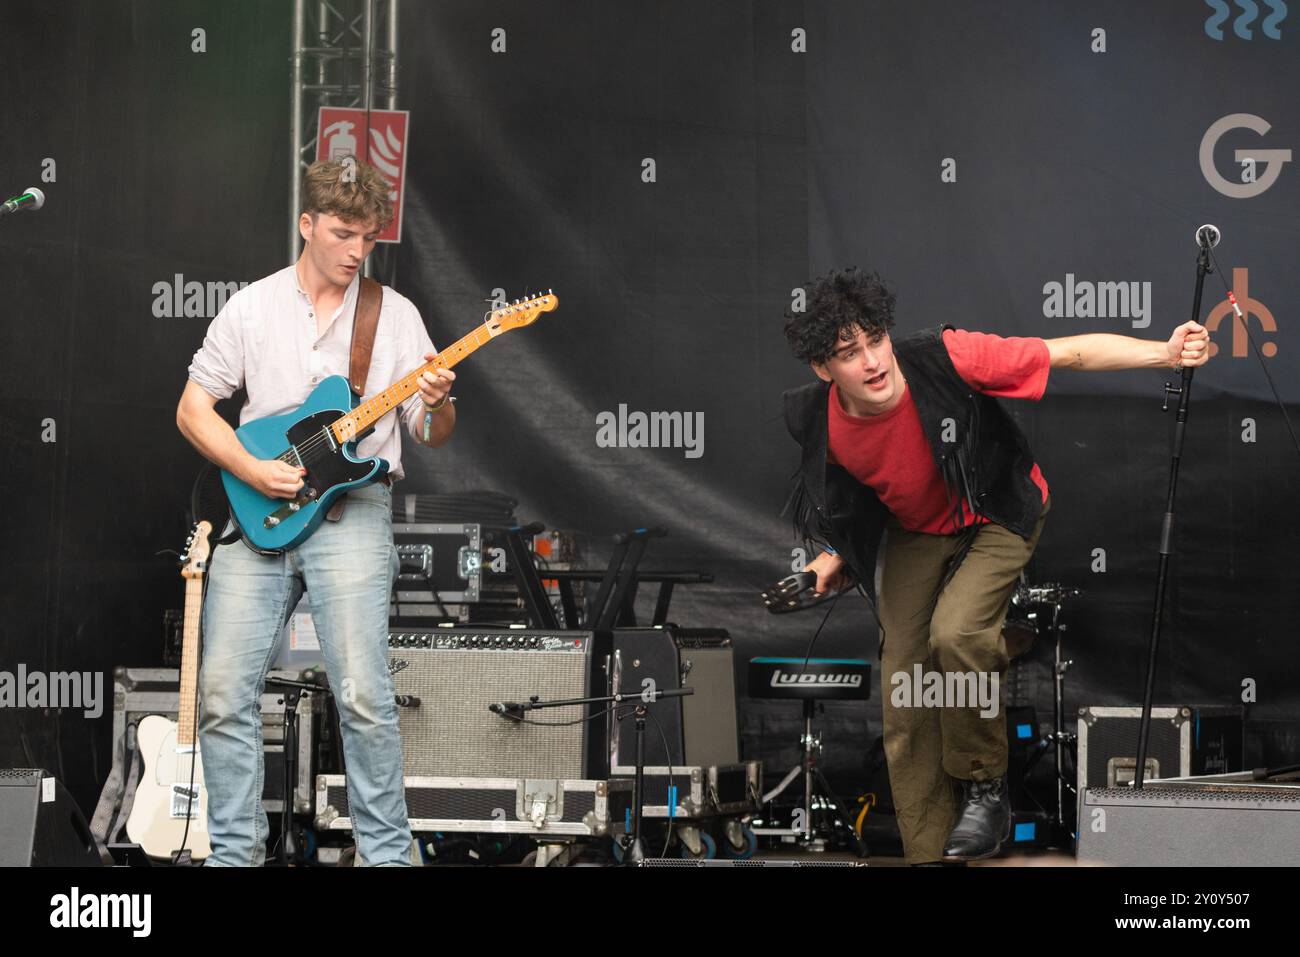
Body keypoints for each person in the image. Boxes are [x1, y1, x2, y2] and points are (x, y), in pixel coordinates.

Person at [781, 267, 1209, 864]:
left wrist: (1164, 353)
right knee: (905, 685)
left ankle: (985, 786)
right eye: (849, 354)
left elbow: (1070, 353)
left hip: (997, 511)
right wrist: (832, 561)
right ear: (824, 370)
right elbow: (855, 510)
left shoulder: (946, 357)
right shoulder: (821, 421)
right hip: (918, 530)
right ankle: (929, 853)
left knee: (955, 636)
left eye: (875, 339)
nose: (872, 361)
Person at [176, 158, 456, 865]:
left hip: (352, 511)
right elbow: (192, 410)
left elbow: (431, 433)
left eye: (366, 237)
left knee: (362, 693)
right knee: (219, 691)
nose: (356, 250)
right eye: (340, 233)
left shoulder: (395, 317)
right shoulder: (252, 306)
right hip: (260, 510)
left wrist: (439, 400)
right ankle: (234, 854)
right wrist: (250, 467)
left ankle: (389, 856)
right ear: (307, 224)